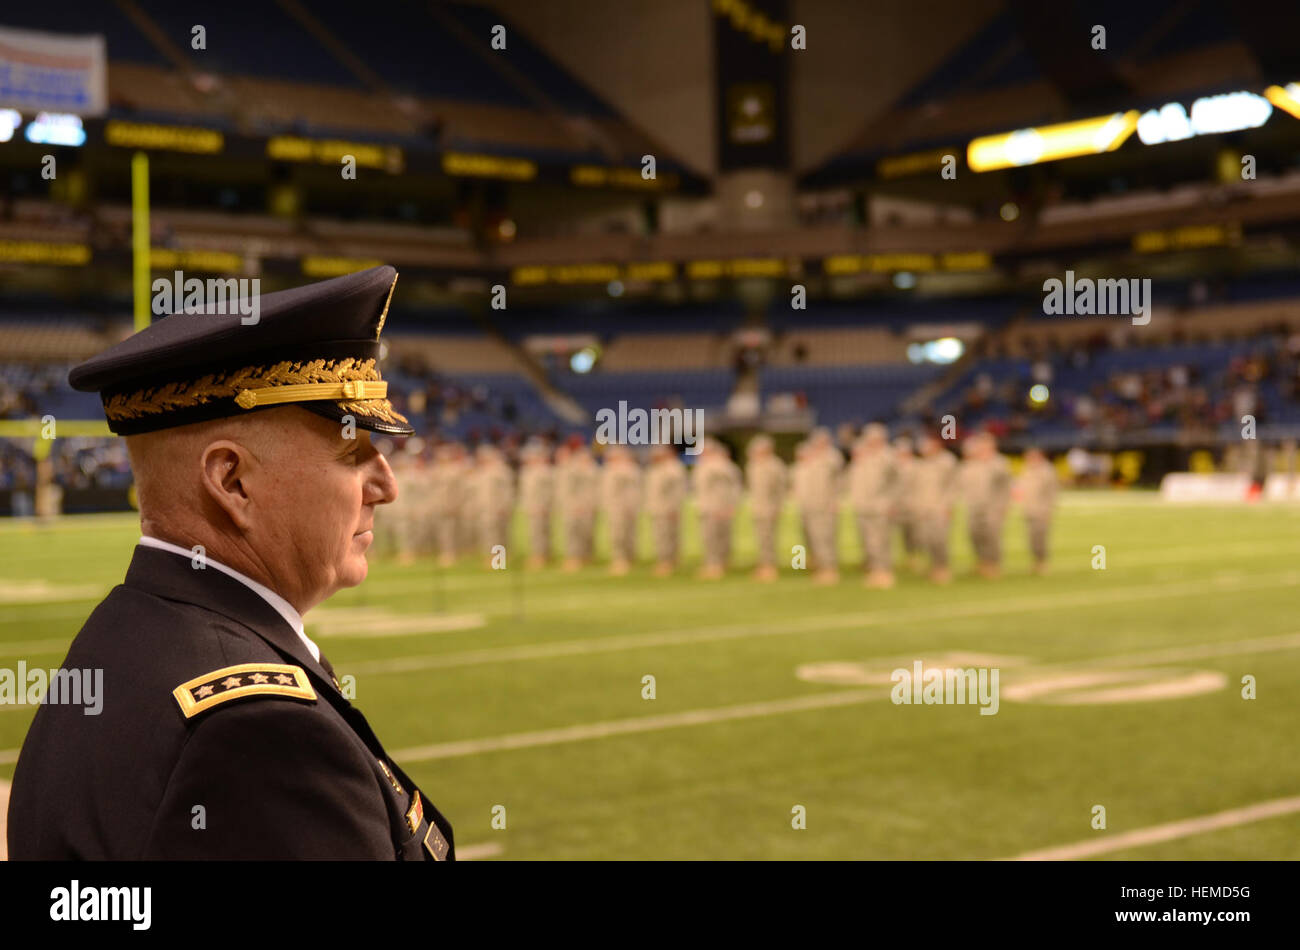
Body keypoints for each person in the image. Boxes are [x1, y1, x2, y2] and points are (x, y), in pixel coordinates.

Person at [8, 265, 454, 860]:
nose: (387, 485)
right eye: (353, 453)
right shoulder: (261, 730)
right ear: (232, 480)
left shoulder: (118, 638)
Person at [848, 423, 899, 588]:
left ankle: (885, 571)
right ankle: (875, 570)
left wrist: (892, 502)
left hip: (881, 506)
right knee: (868, 541)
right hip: (864, 505)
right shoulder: (864, 457)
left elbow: (896, 482)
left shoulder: (888, 457)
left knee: (881, 540)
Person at [961, 432, 1012, 578]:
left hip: (993, 507)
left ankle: (994, 564)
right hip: (975, 506)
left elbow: (1006, 486)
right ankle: (982, 560)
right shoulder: (972, 463)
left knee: (992, 536)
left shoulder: (999, 462)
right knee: (974, 534)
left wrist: (1004, 505)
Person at [914, 432, 958, 584]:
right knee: (927, 539)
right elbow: (917, 488)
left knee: (939, 539)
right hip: (925, 508)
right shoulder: (922, 464)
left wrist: (948, 505)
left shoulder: (947, 461)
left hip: (940, 507)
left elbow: (952, 485)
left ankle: (943, 568)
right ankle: (934, 566)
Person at [693, 438, 741, 579]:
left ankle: (716, 565)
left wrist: (727, 505)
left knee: (715, 537)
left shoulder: (719, 466)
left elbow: (727, 489)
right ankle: (714, 563)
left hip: (716, 506)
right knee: (710, 537)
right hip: (707, 506)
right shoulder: (705, 465)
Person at [803, 428, 843, 585]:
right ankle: (822, 567)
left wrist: (835, 500)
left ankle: (830, 569)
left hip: (826, 504)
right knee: (817, 537)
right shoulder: (815, 458)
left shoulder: (832, 457)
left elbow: (838, 482)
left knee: (826, 537)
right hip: (813, 504)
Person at [746, 434, 787, 582]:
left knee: (769, 538)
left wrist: (778, 507)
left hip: (769, 507)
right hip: (758, 507)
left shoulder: (775, 465)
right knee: (761, 538)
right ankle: (764, 564)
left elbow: (780, 489)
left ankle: (770, 567)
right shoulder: (754, 465)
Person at [644, 443, 686, 576]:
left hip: (666, 508)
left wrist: (674, 507)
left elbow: (676, 491)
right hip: (658, 507)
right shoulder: (657, 469)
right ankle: (667, 560)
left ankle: (667, 561)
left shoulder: (671, 469)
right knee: (663, 535)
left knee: (666, 536)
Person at [600, 444, 642, 575]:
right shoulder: (610, 469)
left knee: (621, 534)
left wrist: (630, 505)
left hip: (623, 506)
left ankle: (622, 559)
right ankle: (622, 558)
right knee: (619, 533)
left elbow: (631, 490)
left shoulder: (626, 470)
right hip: (615, 506)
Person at [558, 438, 598, 571]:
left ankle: (576, 558)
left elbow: (578, 489)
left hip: (577, 505)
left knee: (576, 532)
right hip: (572, 504)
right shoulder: (567, 468)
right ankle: (579, 556)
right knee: (575, 531)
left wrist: (579, 504)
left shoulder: (574, 469)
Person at [1018, 447, 1058, 574]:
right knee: (1031, 538)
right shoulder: (1027, 469)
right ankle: (1036, 562)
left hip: (1041, 510)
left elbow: (1052, 493)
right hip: (1029, 509)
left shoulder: (1047, 471)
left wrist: (1049, 510)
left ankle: (1042, 562)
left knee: (1040, 538)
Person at [474, 443, 514, 567]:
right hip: (486, 508)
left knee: (498, 534)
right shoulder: (483, 471)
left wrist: (504, 505)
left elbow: (507, 491)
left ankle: (498, 561)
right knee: (490, 533)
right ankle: (494, 558)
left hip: (497, 508)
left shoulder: (501, 471)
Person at [518, 439, 555, 568]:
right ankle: (538, 554)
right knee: (534, 532)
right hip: (531, 506)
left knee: (540, 532)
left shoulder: (544, 472)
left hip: (540, 506)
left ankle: (541, 555)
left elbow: (548, 492)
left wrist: (544, 505)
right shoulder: (528, 471)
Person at [429, 442, 466, 566]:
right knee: (443, 532)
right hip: (439, 506)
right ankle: (446, 552)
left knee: (453, 531)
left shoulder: (455, 471)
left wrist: (456, 504)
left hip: (451, 505)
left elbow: (459, 490)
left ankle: (452, 553)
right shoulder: (435, 471)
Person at [891, 436, 923, 572]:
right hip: (897, 504)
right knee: (898, 533)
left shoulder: (916, 466)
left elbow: (920, 486)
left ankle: (915, 557)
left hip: (912, 504)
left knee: (914, 533)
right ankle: (904, 557)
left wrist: (917, 502)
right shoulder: (893, 466)